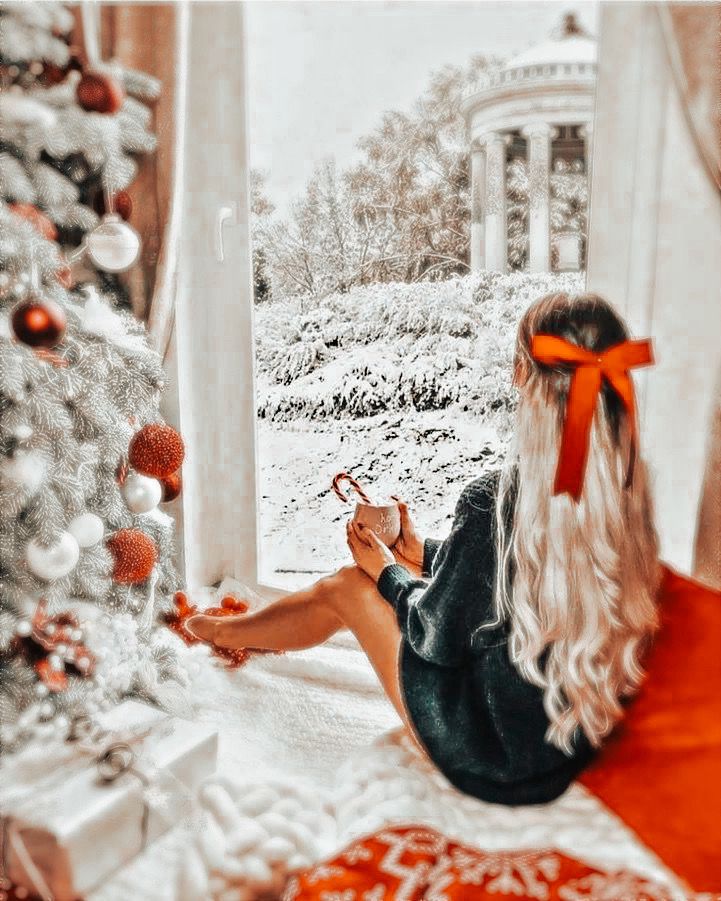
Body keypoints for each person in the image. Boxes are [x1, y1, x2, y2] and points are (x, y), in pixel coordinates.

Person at [187, 291, 663, 806]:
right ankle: (235, 629)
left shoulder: (493, 501)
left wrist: (387, 572)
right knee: (367, 583)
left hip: (493, 760)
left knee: (347, 586)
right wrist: (426, 553)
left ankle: (220, 629)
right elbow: (509, 580)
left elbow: (435, 634)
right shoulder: (623, 490)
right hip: (566, 746)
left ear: (526, 379)